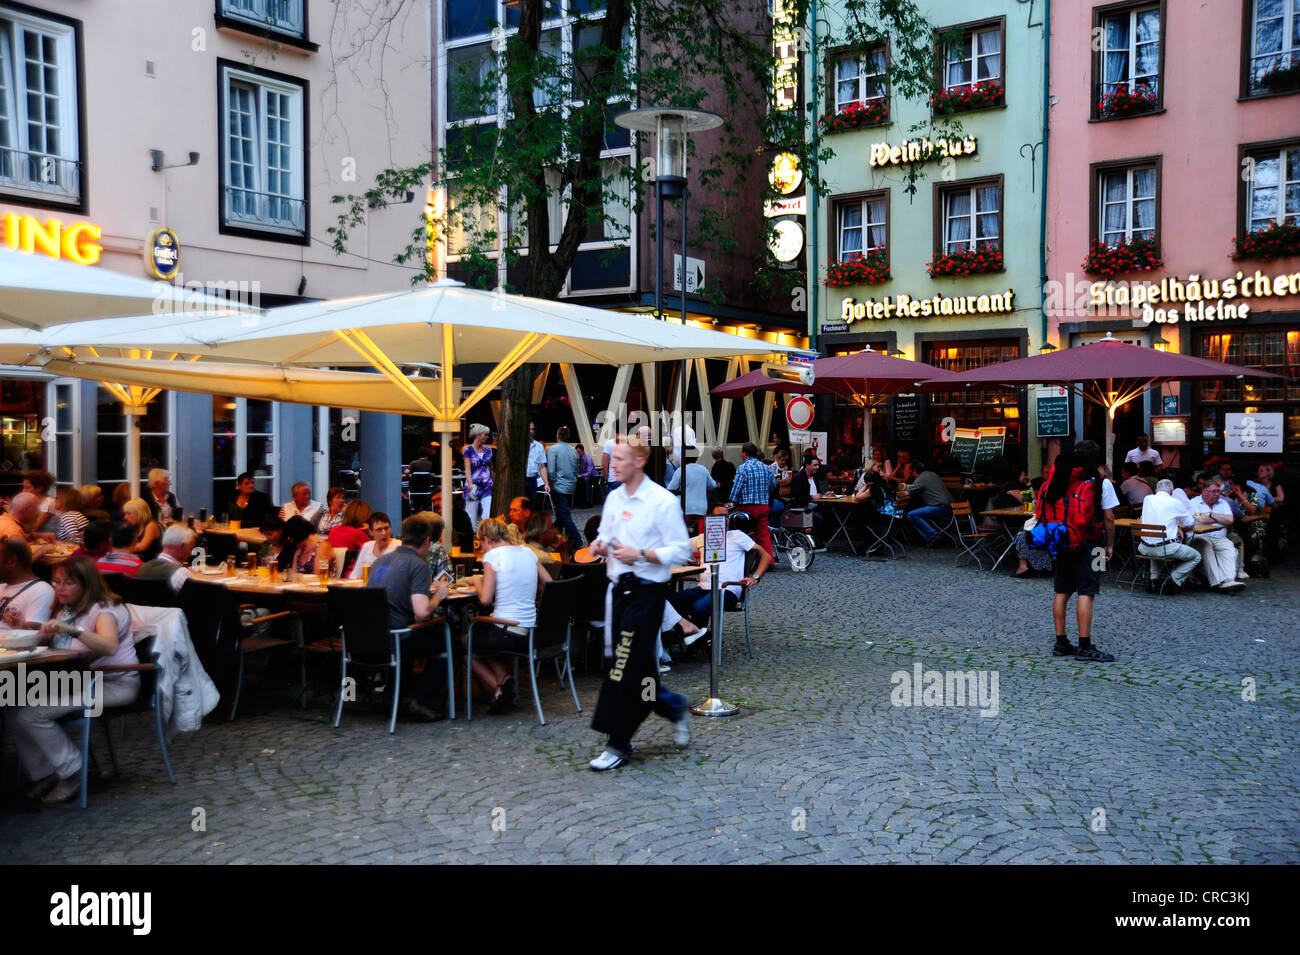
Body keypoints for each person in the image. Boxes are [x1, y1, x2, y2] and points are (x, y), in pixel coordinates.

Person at [586, 435, 693, 771]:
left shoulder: (661, 501)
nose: (613, 464)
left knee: (622, 666)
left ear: (639, 462)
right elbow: (605, 534)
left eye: (619, 458)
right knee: (642, 672)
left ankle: (617, 743)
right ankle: (673, 705)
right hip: (618, 591)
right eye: (613, 457)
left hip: (647, 594)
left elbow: (681, 551)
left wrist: (642, 554)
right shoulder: (615, 498)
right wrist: (600, 545)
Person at [9, 557, 139, 803]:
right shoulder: (68, 609)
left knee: (32, 714)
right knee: (11, 703)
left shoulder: (103, 609)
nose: (60, 588)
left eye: (68, 583)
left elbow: (109, 646)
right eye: (56, 581)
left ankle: (74, 772)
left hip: (114, 685)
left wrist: (72, 630)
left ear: (86, 584)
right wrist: (28, 627)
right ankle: (46, 773)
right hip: (77, 681)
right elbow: (61, 646)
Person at [462, 516, 552, 714]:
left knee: (464, 641)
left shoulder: (492, 557)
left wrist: (477, 581)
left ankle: (499, 686)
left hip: (506, 631)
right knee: (483, 635)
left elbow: (485, 599)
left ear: (486, 539)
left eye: (481, 543)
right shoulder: (528, 553)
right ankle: (505, 681)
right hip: (530, 632)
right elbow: (550, 582)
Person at [367, 515, 452, 721]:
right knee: (450, 640)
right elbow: (422, 612)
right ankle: (421, 699)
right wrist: (438, 597)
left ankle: (396, 695)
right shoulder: (417, 565)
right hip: (397, 639)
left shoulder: (379, 562)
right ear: (426, 541)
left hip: (370, 639)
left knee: (414, 633)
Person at [1037, 448, 1116, 661]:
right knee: (1087, 591)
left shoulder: (1054, 482)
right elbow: (1109, 518)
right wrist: (1110, 544)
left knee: (1062, 591)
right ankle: (1085, 645)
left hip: (1061, 541)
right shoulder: (1101, 483)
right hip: (1093, 543)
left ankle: (1061, 642)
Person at [670, 506, 772, 624]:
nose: (726, 519)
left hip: (727, 589)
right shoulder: (702, 538)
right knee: (668, 603)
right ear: (710, 519)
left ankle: (698, 639)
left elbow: (766, 556)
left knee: (698, 608)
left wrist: (755, 578)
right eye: (721, 517)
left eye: (727, 516)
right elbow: (677, 547)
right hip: (703, 587)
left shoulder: (736, 535)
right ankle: (688, 634)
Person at [1137, 479, 1200, 592]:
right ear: (1172, 492)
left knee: (1156, 543)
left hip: (1144, 548)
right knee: (1196, 556)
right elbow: (1190, 523)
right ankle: (1172, 581)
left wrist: (1175, 525)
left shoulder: (1147, 499)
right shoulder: (1175, 502)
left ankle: (1154, 580)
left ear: (1156, 490)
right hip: (1165, 549)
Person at [1187, 481, 1245, 592]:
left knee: (1229, 547)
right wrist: (1219, 518)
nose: (1217, 494)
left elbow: (1229, 520)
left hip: (1219, 538)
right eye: (1214, 491)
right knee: (1206, 545)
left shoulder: (1223, 503)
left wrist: (1210, 515)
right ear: (1204, 492)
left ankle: (1228, 581)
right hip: (1199, 536)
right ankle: (1217, 582)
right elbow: (1197, 520)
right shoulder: (1193, 503)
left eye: (1218, 491)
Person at [730, 441, 775, 559]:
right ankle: (768, 561)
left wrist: (732, 500)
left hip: (747, 507)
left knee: (746, 535)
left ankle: (750, 561)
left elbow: (737, 488)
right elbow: (773, 485)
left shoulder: (743, 468)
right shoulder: (765, 467)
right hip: (763, 505)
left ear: (744, 454)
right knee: (764, 535)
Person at [0, 537, 56, 629]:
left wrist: (20, 624)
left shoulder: (41, 591)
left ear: (12, 561)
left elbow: (33, 636)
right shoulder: (2, 587)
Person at [546, 425, 584, 546]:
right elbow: (577, 469)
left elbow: (551, 470)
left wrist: (551, 482)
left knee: (564, 515)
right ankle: (556, 540)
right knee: (562, 515)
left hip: (559, 486)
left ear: (558, 436)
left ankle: (577, 541)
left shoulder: (553, 449)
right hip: (571, 486)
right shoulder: (574, 450)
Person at [902, 461, 953, 545]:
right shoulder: (932, 474)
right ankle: (932, 538)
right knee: (918, 513)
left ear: (914, 471)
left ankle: (934, 536)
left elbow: (906, 493)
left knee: (912, 515)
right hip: (951, 507)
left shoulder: (921, 478)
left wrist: (898, 490)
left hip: (940, 507)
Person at [136, 525, 197, 592]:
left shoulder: (142, 569)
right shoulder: (181, 574)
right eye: (190, 548)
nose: (191, 553)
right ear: (181, 547)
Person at [666, 456, 717, 530]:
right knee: (699, 535)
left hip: (686, 507)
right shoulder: (703, 469)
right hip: (701, 508)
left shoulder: (681, 470)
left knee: (687, 533)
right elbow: (712, 485)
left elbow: (671, 488)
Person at [325, 499, 373, 575]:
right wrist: (371, 530)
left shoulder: (334, 530)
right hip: (350, 575)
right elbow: (373, 551)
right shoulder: (358, 533)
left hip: (331, 574)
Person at [463, 423, 494, 530]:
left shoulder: (488, 450)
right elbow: (467, 469)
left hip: (487, 485)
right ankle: (472, 538)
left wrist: (493, 481)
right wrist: (470, 484)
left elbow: (491, 467)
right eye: (485, 435)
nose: (487, 437)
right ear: (478, 435)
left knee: (487, 514)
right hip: (473, 485)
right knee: (471, 515)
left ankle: (485, 535)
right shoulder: (468, 450)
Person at [350, 511, 396, 579]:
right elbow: (354, 575)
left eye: (386, 528)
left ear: (391, 529)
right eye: (379, 529)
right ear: (371, 532)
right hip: (367, 588)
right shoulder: (367, 546)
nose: (384, 533)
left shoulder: (399, 546)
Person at [524, 420, 551, 506]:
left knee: (531, 506)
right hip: (521, 480)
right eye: (529, 429)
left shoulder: (539, 446)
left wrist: (546, 483)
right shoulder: (518, 444)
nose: (531, 431)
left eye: (533, 429)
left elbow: (542, 467)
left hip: (533, 480)